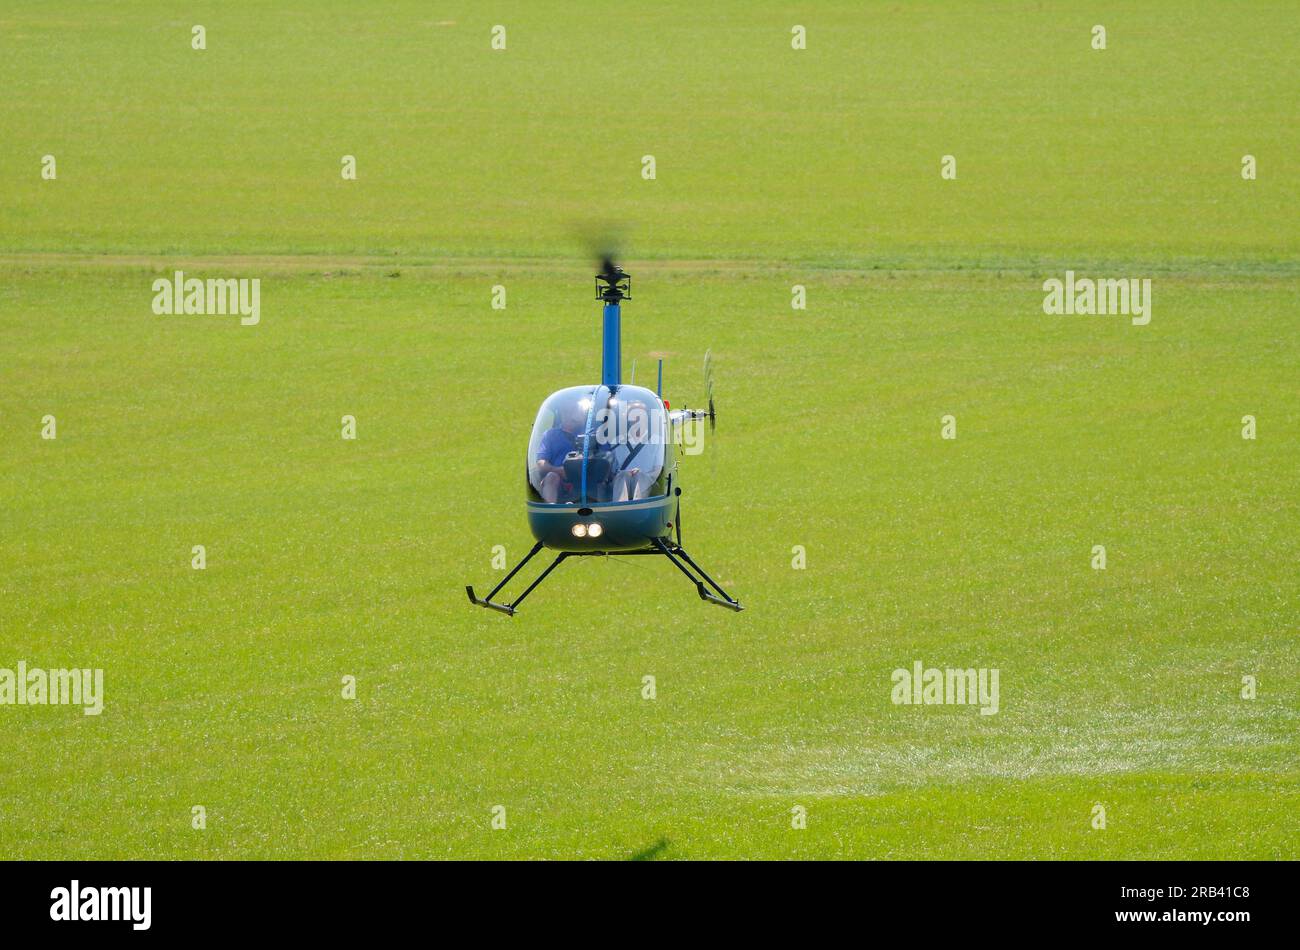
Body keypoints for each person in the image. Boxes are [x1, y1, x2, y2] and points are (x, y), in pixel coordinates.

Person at [536, 402, 586, 503]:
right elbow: (541, 463)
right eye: (565, 412)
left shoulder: (590, 433)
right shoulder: (550, 435)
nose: (568, 415)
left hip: (586, 478)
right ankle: (550, 511)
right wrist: (559, 470)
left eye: (572, 411)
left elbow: (606, 458)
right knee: (551, 476)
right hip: (559, 481)